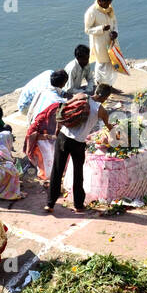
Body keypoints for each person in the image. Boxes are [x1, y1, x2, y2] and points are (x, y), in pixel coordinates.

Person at [46, 83, 111, 213]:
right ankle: (78, 205)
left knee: (57, 171)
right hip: (78, 143)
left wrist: (58, 130)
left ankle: (50, 204)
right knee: (78, 173)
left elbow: (62, 108)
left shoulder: (81, 96)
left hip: (63, 137)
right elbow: (109, 127)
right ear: (105, 97)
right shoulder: (101, 110)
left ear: (96, 91)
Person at [22, 70, 69, 182]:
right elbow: (58, 125)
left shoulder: (43, 91)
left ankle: (36, 162)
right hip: (43, 133)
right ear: (63, 83)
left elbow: (32, 110)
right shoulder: (59, 102)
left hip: (33, 127)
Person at [84, 0, 119, 90]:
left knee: (112, 63)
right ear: (99, 1)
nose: (108, 6)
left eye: (109, 3)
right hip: (99, 42)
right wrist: (101, 28)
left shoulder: (109, 9)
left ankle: (110, 86)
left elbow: (115, 22)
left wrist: (115, 32)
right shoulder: (91, 12)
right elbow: (87, 29)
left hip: (111, 40)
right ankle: (99, 85)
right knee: (102, 64)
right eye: (106, 3)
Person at [0, 127, 26, 200]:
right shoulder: (1, 149)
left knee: (7, 166)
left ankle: (4, 188)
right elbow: (10, 162)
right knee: (9, 167)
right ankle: (5, 192)